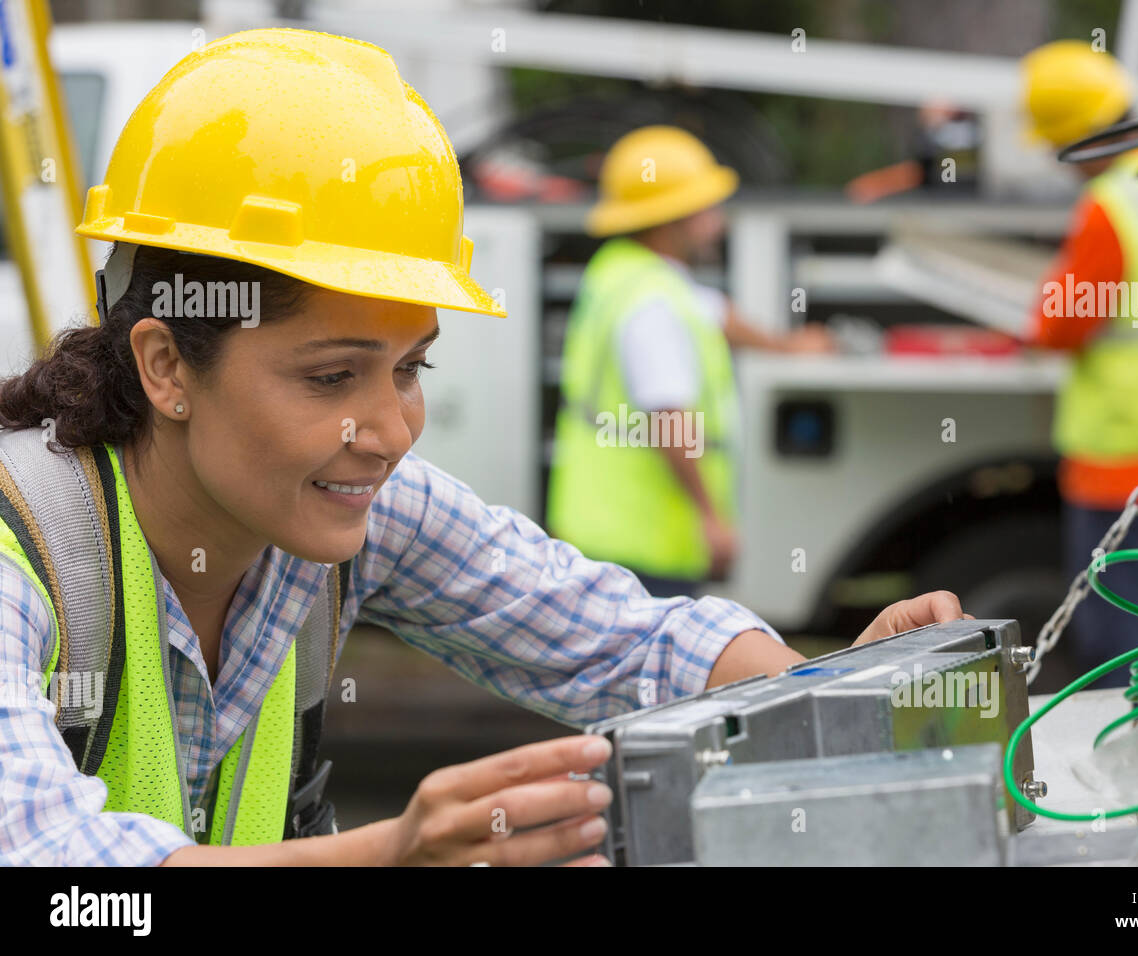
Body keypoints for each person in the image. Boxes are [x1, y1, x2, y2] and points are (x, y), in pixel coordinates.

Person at [0, 29, 967, 866]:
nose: (388, 434)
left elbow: (615, 640)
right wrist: (387, 853)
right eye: (332, 377)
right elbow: (53, 865)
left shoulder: (349, 507)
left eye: (410, 368)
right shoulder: (22, 553)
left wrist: (823, 689)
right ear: (166, 365)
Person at [547, 125, 836, 599]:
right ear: (670, 219)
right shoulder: (654, 305)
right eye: (706, 209)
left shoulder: (625, 272)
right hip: (642, 545)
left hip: (604, 529)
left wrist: (787, 347)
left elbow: (714, 312)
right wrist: (712, 518)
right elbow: (668, 418)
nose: (718, 221)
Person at [1021, 41, 1138, 687]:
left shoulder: (1112, 204)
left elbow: (1059, 324)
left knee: (1117, 645)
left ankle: (1126, 779)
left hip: (1118, 465)